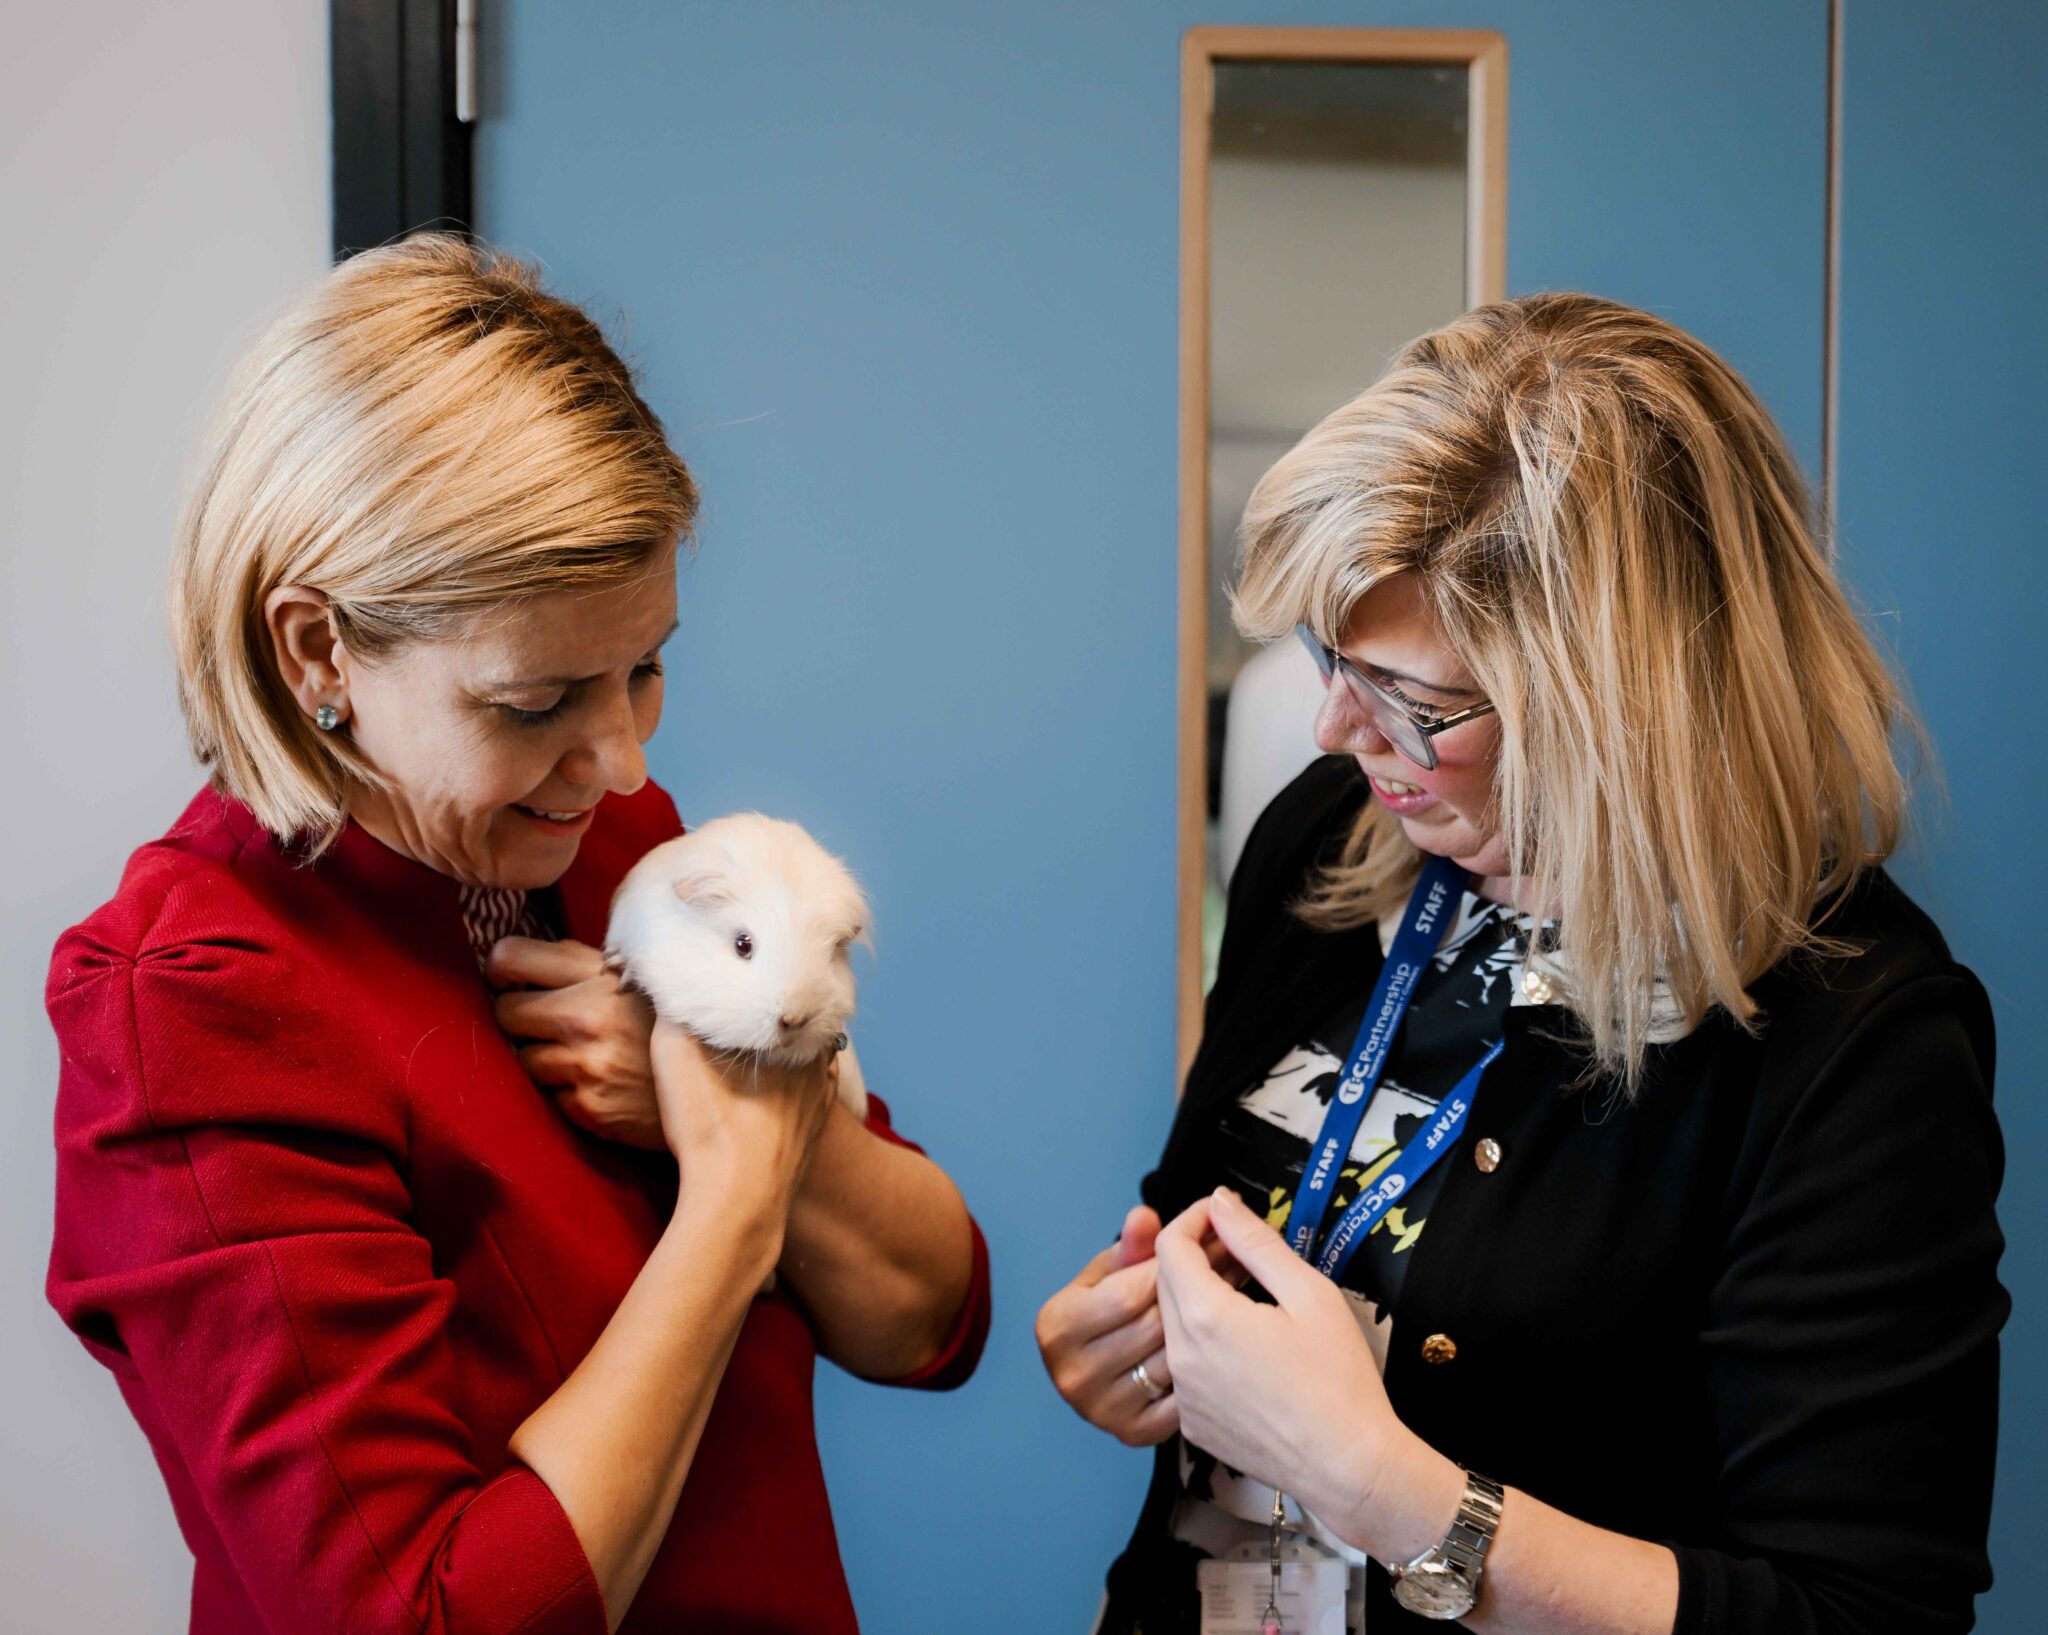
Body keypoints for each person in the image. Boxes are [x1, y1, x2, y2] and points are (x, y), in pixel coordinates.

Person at [45, 235, 989, 1635]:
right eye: (537, 702)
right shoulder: (199, 999)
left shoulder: (600, 843)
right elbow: (422, 1616)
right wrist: (733, 1200)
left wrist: (736, 1112)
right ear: (318, 656)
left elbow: (931, 1319)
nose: (617, 761)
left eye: (647, 668)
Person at [1037, 293, 2006, 1634]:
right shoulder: (1329, 849)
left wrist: (1377, 1482)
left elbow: (1860, 1611)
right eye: (1331, 658)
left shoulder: (1858, 1040)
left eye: (1413, 706)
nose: (1332, 728)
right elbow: (1218, 1223)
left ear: (1625, 702)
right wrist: (1138, 1350)